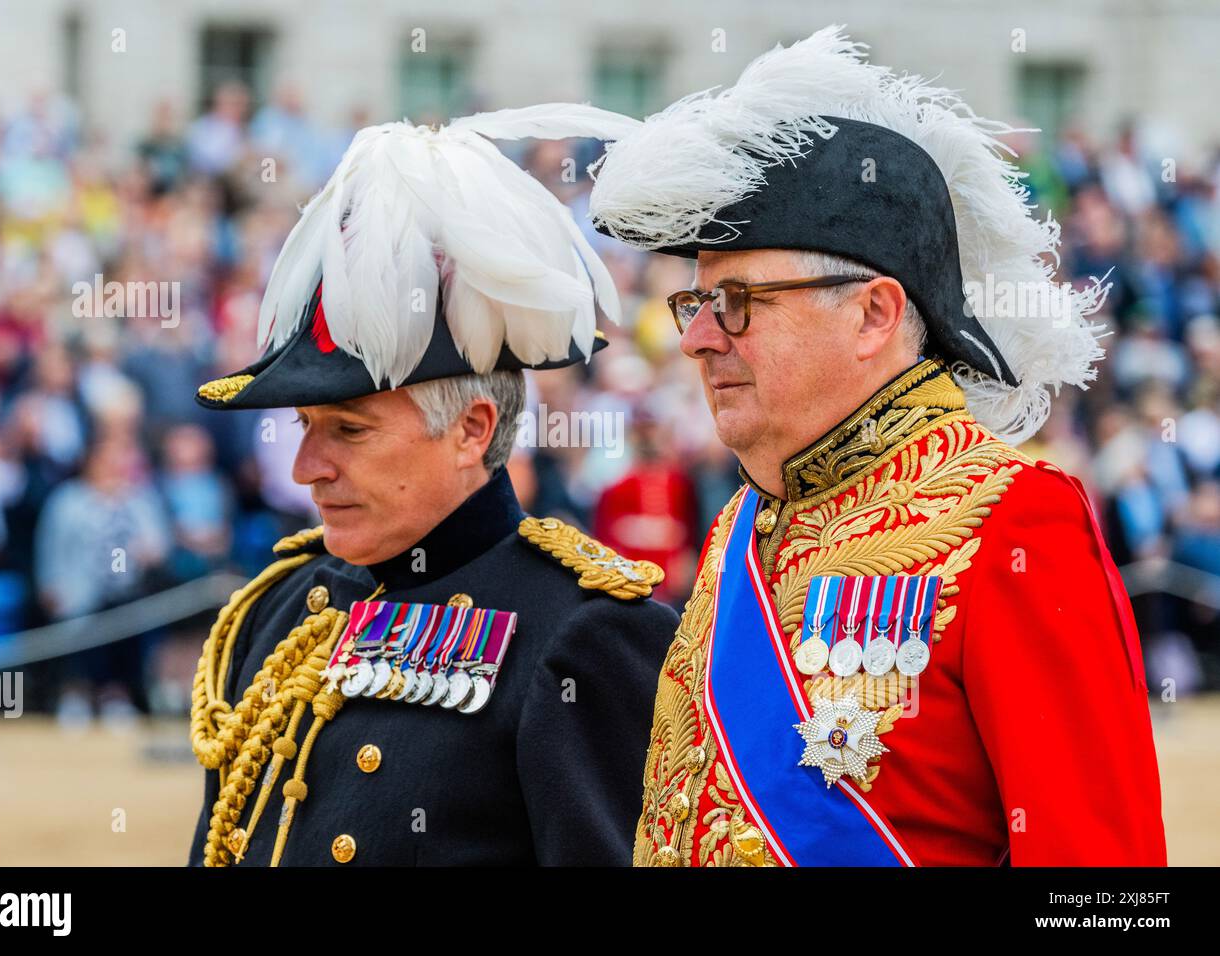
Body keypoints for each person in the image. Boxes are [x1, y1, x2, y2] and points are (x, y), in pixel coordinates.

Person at [588, 26, 1167, 866]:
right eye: (697, 302)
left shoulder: (1016, 520)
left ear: (875, 315)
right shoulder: (738, 527)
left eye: (740, 300)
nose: (698, 338)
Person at [186, 104, 678, 866]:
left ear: (472, 431)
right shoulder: (277, 607)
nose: (305, 466)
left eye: (348, 430)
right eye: (306, 424)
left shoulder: (582, 634)